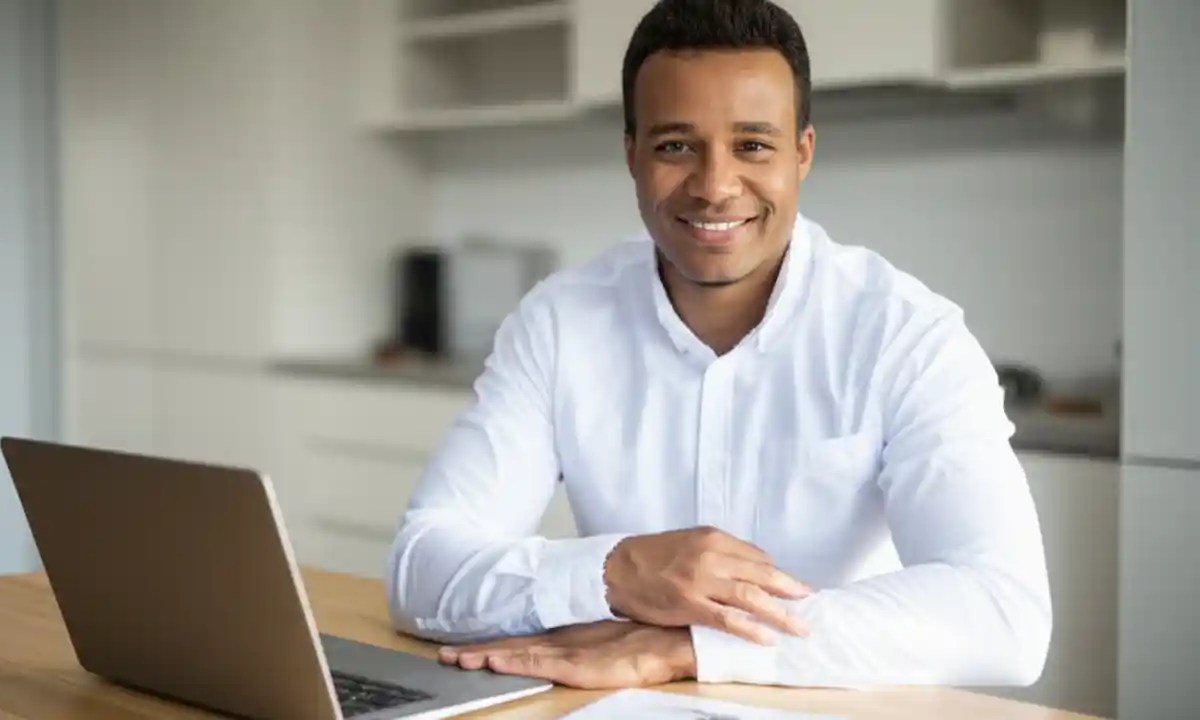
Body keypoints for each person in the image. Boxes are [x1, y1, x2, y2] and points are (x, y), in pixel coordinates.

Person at [387, 0, 1051, 690]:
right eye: (676, 145)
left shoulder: (907, 336)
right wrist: (618, 572)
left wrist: (692, 648)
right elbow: (421, 567)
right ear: (632, 156)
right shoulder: (558, 323)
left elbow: (1006, 618)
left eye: (753, 145)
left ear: (802, 154)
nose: (715, 186)